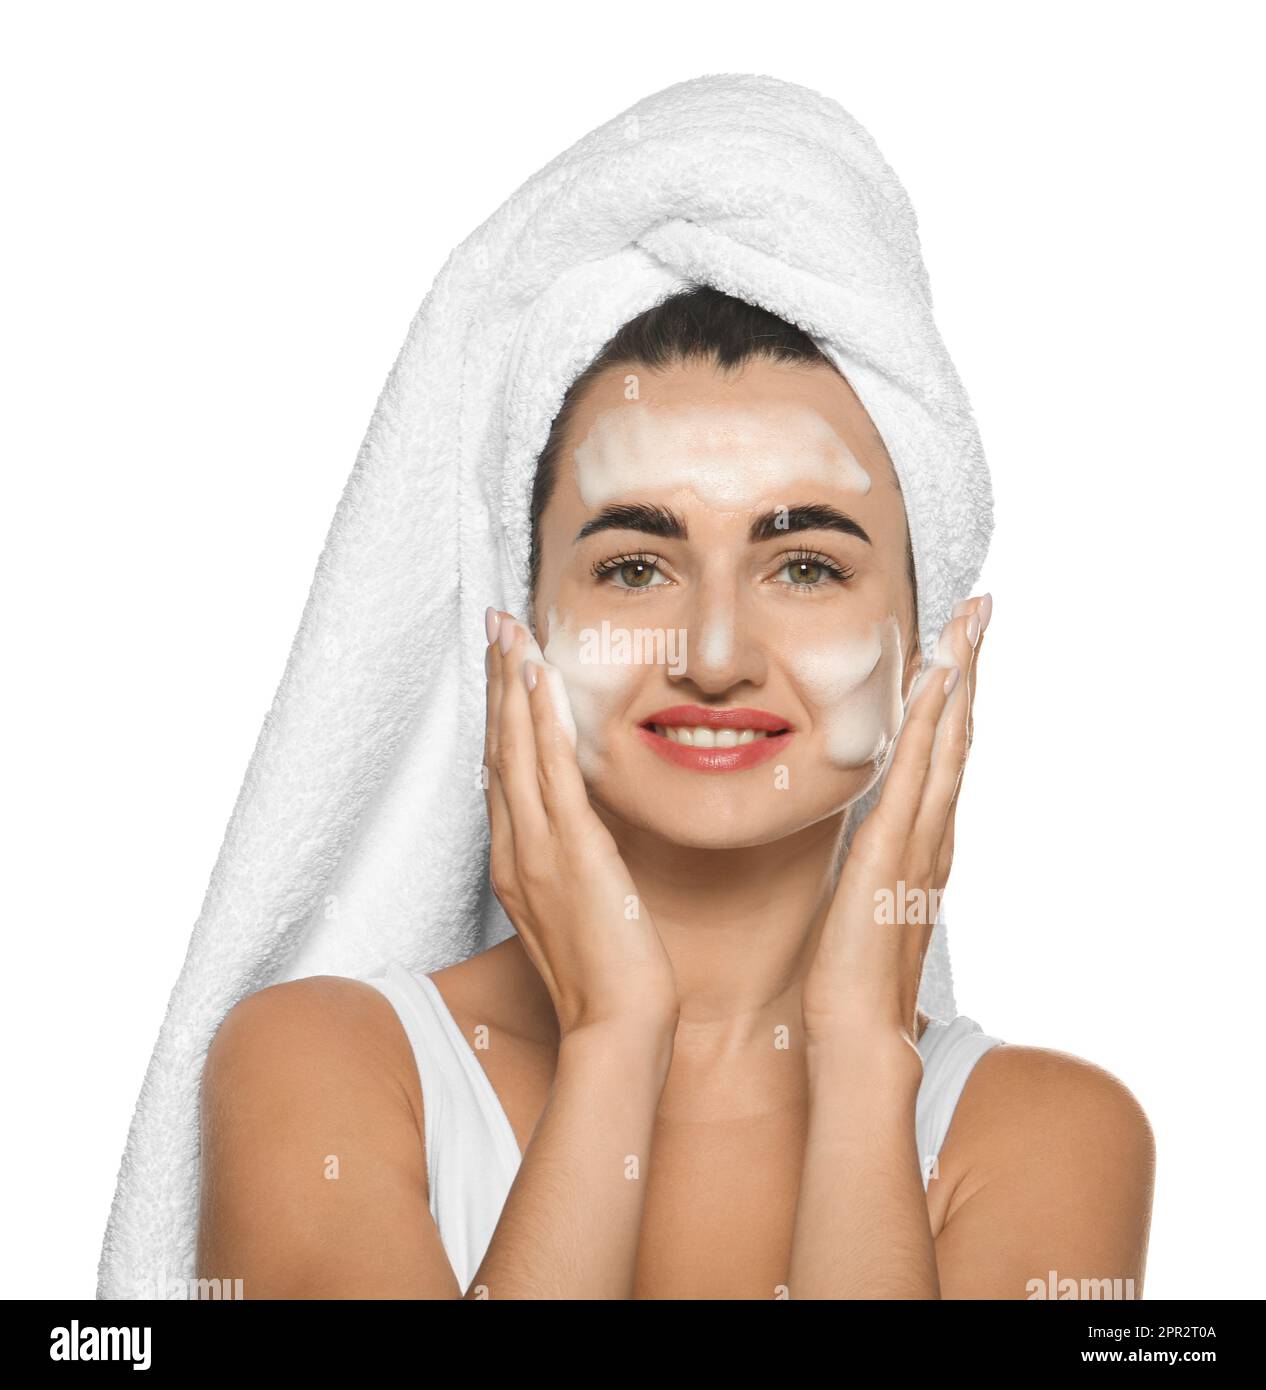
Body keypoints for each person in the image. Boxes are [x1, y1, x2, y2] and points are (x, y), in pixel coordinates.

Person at [195, 286, 1155, 1299]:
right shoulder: (323, 1069)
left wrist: (867, 1062)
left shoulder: (1050, 1136)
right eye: (637, 567)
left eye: (808, 567)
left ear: (920, 649)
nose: (715, 655)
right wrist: (614, 1042)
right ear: (525, 621)